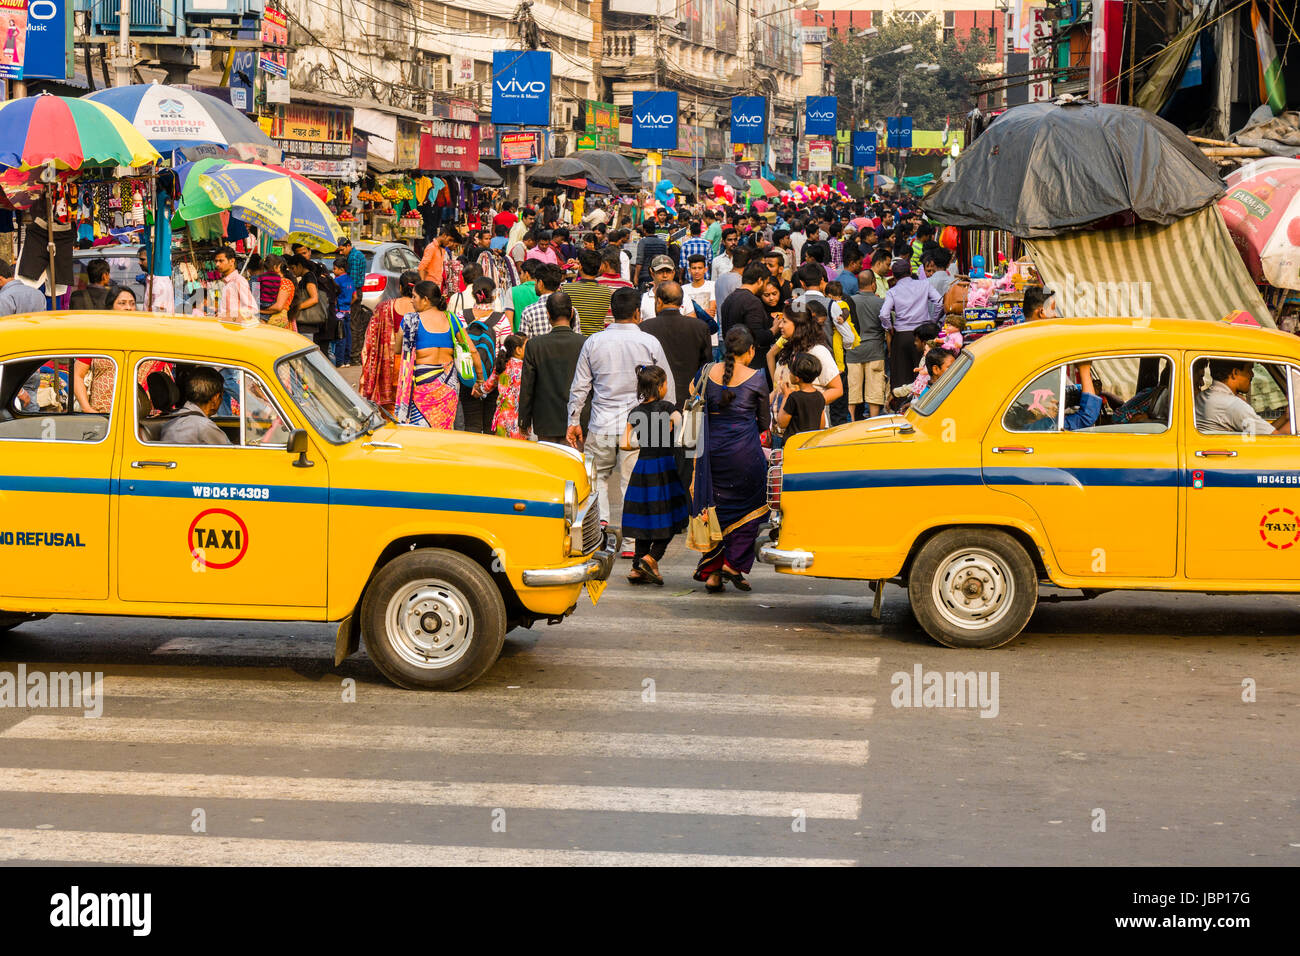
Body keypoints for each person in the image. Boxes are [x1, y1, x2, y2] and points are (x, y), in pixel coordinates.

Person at [567, 286, 675, 558]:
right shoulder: (650, 343)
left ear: (610, 313)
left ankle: (601, 535)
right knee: (633, 483)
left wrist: (573, 419)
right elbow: (666, 387)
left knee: (597, 480)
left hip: (601, 423)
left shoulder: (593, 342)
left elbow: (580, 387)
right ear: (638, 312)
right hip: (640, 426)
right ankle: (630, 544)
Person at [689, 325, 769, 593]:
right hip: (744, 455)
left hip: (710, 455)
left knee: (715, 512)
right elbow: (763, 422)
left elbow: (692, 393)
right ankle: (732, 566)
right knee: (753, 508)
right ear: (749, 351)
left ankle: (713, 573)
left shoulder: (705, 371)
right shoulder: (757, 378)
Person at [621, 365, 689, 586]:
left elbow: (624, 444)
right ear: (660, 386)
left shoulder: (635, 412)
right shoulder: (669, 408)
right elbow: (685, 432)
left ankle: (636, 568)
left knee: (644, 517)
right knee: (672, 517)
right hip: (665, 467)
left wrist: (643, 444)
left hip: (643, 467)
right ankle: (651, 558)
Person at [394, 280, 486, 429]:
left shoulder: (410, 320)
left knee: (420, 433)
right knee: (443, 430)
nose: (412, 301)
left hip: (420, 387)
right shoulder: (451, 319)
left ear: (425, 300)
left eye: (414, 297)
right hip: (448, 388)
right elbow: (473, 351)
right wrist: (480, 380)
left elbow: (398, 349)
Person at [519, 291, 585, 444]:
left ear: (548, 314)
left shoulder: (535, 345)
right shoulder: (585, 343)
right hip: (578, 419)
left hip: (546, 420)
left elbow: (527, 385)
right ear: (572, 313)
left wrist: (524, 420)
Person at [768, 305, 842, 435]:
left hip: (807, 430)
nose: (780, 325)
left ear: (798, 325)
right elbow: (779, 388)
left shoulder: (818, 352)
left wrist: (806, 404)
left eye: (784, 321)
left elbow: (837, 389)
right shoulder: (788, 350)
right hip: (780, 430)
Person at [639, 280, 712, 410]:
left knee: (658, 431)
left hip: (656, 401)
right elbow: (706, 367)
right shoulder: (700, 327)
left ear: (659, 301)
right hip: (690, 400)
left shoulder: (645, 327)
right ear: (681, 302)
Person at [879, 258, 942, 396]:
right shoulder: (924, 285)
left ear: (894, 276)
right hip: (924, 334)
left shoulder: (892, 292)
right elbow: (939, 302)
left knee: (902, 373)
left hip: (902, 335)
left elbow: (883, 314)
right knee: (926, 371)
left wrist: (889, 327)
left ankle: (901, 404)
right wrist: (932, 321)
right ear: (911, 271)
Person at [459, 276, 511, 434]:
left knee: (471, 425)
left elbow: (458, 347)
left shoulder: (462, 316)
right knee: (490, 425)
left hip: (468, 377)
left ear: (474, 294)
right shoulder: (501, 320)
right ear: (493, 295)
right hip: (492, 378)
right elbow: (506, 350)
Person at [360, 269, 416, 414]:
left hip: (388, 368)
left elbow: (370, 341)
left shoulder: (383, 308)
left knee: (389, 412)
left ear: (401, 288)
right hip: (414, 366)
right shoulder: (423, 310)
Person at [1194, 359, 1292, 435]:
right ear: (1235, 373)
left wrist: (1285, 417)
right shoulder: (1232, 405)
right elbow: (1277, 440)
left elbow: (1263, 433)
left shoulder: (1204, 396)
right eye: (1249, 369)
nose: (1252, 374)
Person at [847, 277, 888, 419]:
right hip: (875, 351)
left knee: (852, 390)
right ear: (873, 284)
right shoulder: (880, 302)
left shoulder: (849, 302)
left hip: (852, 352)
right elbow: (888, 326)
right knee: (875, 389)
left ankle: (850, 421)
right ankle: (873, 419)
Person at [719, 263, 775, 366]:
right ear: (759, 280)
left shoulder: (729, 299)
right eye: (766, 282)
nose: (766, 286)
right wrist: (774, 328)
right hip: (751, 364)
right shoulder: (752, 302)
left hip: (733, 361)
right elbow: (759, 337)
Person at [159, 367, 231, 445]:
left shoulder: (168, 425)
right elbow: (233, 454)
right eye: (222, 396)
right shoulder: (205, 427)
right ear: (215, 399)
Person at [560, 249, 614, 336]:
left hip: (574, 339)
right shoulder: (607, 291)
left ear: (580, 267)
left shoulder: (566, 289)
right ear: (599, 268)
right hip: (596, 340)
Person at [776, 352, 828, 439]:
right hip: (810, 443)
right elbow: (821, 425)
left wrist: (786, 396)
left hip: (793, 444)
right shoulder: (819, 396)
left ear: (797, 378)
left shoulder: (794, 398)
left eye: (790, 372)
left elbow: (781, 423)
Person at [491, 334, 528, 440]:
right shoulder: (525, 369)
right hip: (518, 422)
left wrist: (479, 390)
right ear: (518, 350)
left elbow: (489, 384)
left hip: (501, 419)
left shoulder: (501, 365)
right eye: (527, 346)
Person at [519, 263, 564, 339]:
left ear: (540, 284)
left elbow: (524, 344)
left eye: (536, 282)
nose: (535, 285)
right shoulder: (571, 310)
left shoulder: (529, 312)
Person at [330, 256, 355, 367]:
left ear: (341, 269)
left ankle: (339, 362)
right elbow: (355, 296)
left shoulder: (336, 281)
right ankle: (347, 360)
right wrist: (348, 304)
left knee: (340, 336)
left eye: (335, 269)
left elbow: (333, 296)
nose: (333, 271)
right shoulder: (350, 279)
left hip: (338, 311)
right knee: (348, 335)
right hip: (347, 311)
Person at [258, 255, 294, 329]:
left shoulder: (258, 280)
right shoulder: (285, 282)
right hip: (277, 321)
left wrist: (257, 310)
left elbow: (278, 307)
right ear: (279, 266)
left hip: (262, 320)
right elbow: (278, 307)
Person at [639, 255, 678, 321]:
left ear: (673, 273)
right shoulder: (643, 299)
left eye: (668, 272)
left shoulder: (684, 297)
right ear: (652, 273)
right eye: (660, 272)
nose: (665, 276)